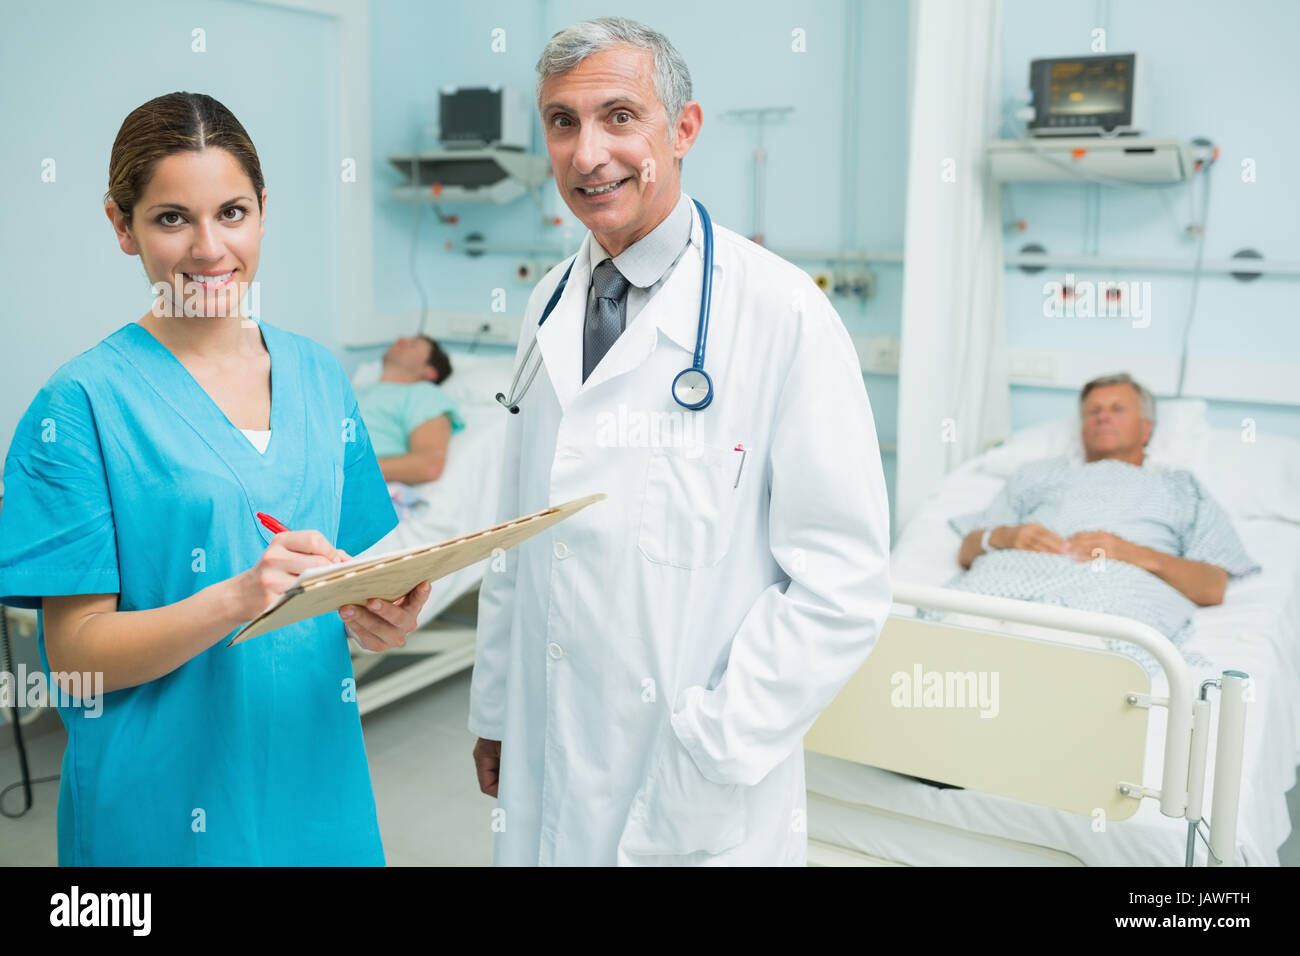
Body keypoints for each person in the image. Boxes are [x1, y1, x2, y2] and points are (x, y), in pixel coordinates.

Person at [469, 18, 892, 866]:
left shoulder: (783, 314)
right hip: (545, 741)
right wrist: (496, 709)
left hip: (692, 773)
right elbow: (517, 533)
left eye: (619, 116)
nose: (588, 154)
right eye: (562, 121)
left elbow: (841, 584)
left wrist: (712, 749)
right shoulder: (547, 305)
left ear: (684, 129)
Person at [0, 92, 430, 865]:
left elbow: (351, 582)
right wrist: (238, 596)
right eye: (171, 218)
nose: (208, 249)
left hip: (316, 783)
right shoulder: (82, 404)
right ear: (120, 226)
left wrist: (381, 616)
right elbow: (74, 658)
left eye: (232, 212)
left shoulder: (319, 377)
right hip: (159, 808)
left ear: (262, 210)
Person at [948, 373, 1259, 663]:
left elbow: (1212, 586)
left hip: (1109, 605)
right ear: (1083, 427)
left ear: (1146, 428)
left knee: (1071, 664)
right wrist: (1005, 537)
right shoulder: (1036, 474)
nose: (1103, 416)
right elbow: (967, 551)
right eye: (1093, 411)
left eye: (1117, 409)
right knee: (949, 639)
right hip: (1000, 589)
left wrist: (1133, 553)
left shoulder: (1181, 488)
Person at [356, 335, 464, 484]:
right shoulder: (352, 391)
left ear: (429, 372)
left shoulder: (424, 394)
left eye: (413, 344)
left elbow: (428, 465)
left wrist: (349, 470)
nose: (400, 339)